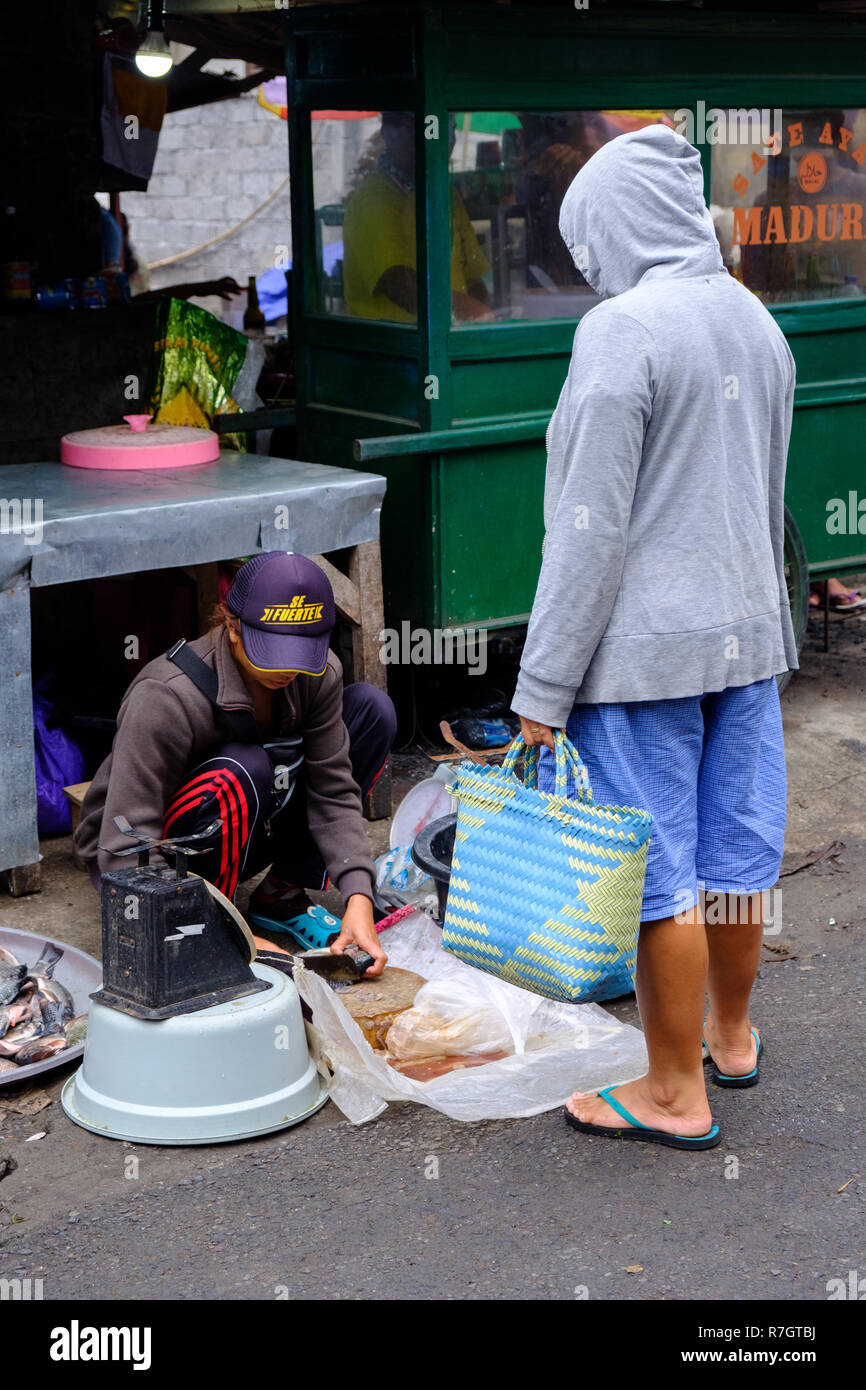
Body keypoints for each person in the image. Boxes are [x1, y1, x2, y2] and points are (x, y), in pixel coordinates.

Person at [511, 125, 797, 1150]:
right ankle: (727, 1034)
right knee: (732, 859)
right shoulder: (754, 322)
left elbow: (584, 534)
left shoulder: (622, 330)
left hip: (641, 658)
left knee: (660, 880)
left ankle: (670, 1092)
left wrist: (541, 687)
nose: (583, 264)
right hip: (746, 637)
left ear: (613, 229)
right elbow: (766, 502)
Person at [75, 552, 395, 975]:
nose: (288, 668)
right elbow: (124, 842)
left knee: (371, 710)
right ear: (232, 624)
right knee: (242, 767)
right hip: (156, 852)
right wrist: (211, 929)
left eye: (301, 652)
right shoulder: (166, 694)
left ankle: (278, 897)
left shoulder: (317, 675)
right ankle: (215, 922)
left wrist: (359, 898)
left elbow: (333, 791)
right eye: (273, 651)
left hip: (254, 821)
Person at [342, 110, 491, 322]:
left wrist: (483, 318)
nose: (441, 142)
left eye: (448, 130)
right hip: (397, 348)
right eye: (420, 129)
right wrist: (470, 312)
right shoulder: (374, 200)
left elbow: (473, 277)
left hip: (453, 336)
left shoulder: (445, 194)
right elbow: (400, 286)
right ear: (389, 132)